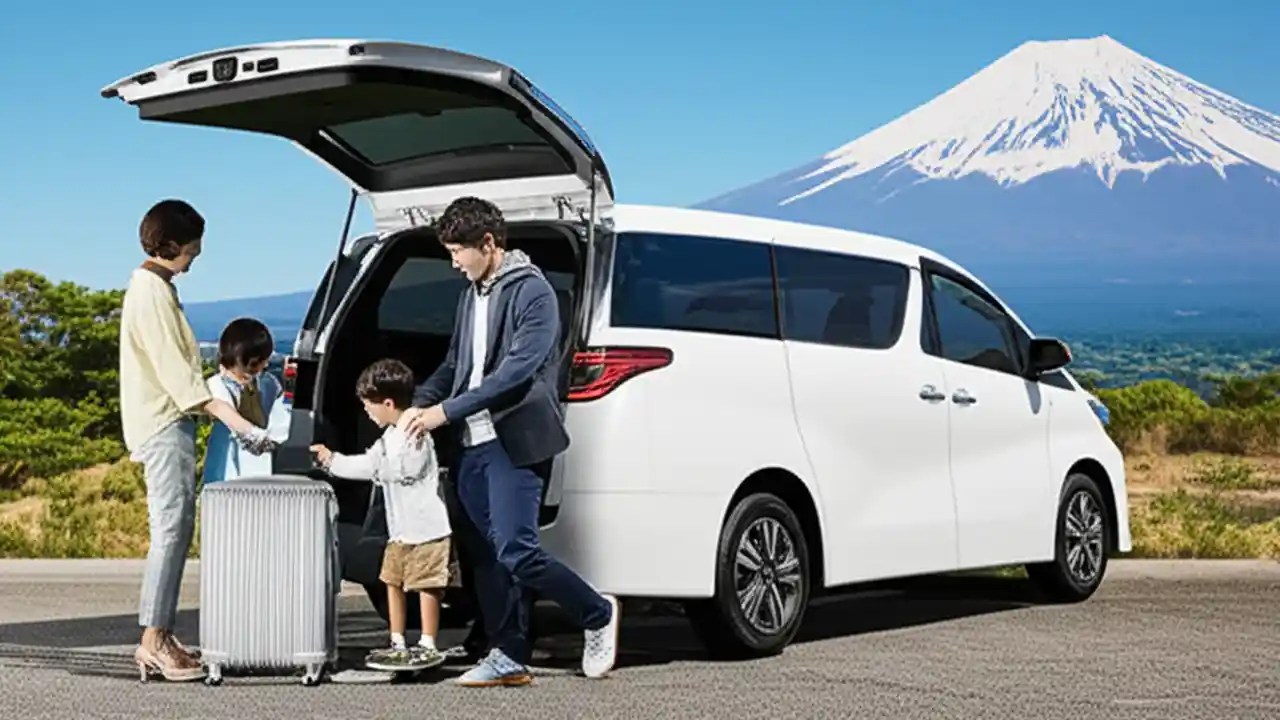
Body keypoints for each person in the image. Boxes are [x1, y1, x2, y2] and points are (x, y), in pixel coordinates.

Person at [403, 196, 620, 687]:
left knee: (517, 550)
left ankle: (597, 612)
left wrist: (444, 411)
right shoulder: (471, 294)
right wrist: (420, 402)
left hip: (514, 442)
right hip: (470, 445)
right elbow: (456, 364)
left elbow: (515, 374)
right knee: (485, 555)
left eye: (459, 250)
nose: (453, 261)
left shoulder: (534, 294)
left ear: (489, 243)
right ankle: (509, 654)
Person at [119, 199, 273, 682]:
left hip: (166, 423)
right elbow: (178, 379)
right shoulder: (150, 293)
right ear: (168, 246)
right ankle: (153, 640)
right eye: (190, 253)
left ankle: (160, 634)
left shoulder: (157, 288)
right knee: (170, 533)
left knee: (177, 532)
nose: (191, 263)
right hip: (163, 426)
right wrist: (242, 424)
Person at [311, 358, 451, 673]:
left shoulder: (415, 430)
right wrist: (333, 462)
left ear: (388, 403)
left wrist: (378, 469)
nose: (367, 412)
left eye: (370, 406)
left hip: (427, 528)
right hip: (400, 529)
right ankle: (397, 640)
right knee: (392, 580)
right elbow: (368, 463)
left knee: (426, 584)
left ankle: (427, 641)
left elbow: (405, 468)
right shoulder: (388, 437)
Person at [202, 317, 287, 484]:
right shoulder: (216, 386)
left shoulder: (267, 383)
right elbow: (236, 424)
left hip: (263, 467)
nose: (263, 366)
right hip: (229, 465)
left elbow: (280, 420)